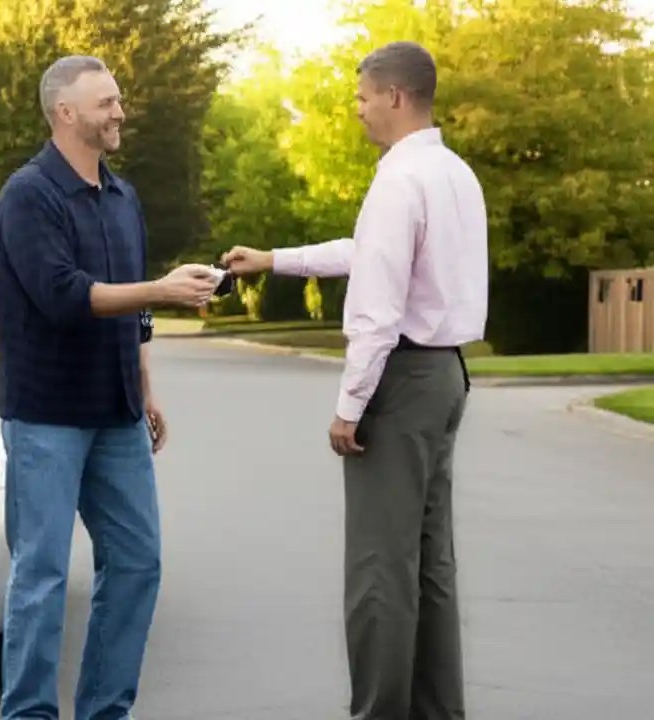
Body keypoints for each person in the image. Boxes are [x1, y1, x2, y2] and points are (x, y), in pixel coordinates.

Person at [221, 41, 487, 720]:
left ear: (396, 96)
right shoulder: (453, 173)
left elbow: (375, 310)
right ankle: (435, 710)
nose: (358, 109)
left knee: (378, 568)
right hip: (447, 374)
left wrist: (349, 407)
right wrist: (274, 258)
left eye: (364, 96)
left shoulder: (401, 180)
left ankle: (379, 711)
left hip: (402, 378)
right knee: (429, 563)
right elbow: (367, 251)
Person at [0, 55, 218, 720]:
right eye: (106, 103)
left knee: (139, 563)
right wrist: (164, 289)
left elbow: (134, 316)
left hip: (117, 413)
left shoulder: (122, 198)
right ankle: (28, 713)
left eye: (118, 100)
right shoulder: (28, 196)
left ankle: (103, 712)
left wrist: (145, 387)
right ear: (66, 113)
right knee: (42, 576)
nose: (120, 113)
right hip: (47, 418)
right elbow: (62, 296)